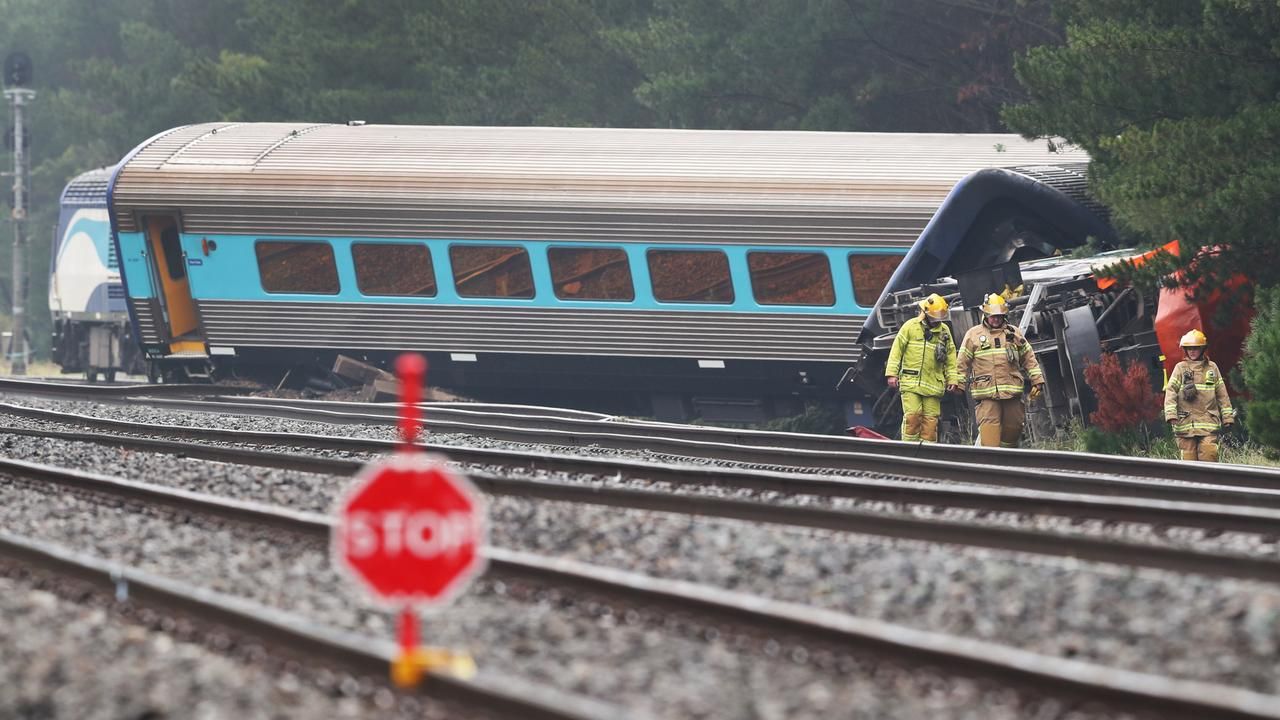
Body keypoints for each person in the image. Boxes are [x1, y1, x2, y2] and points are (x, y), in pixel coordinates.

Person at [956, 293, 1045, 447]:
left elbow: (1029, 357)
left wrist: (1037, 380)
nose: (996, 319)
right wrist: (958, 383)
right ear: (985, 314)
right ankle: (991, 465)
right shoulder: (973, 335)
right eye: (992, 316)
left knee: (1014, 428)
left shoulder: (1014, 333)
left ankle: (1007, 463)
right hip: (987, 395)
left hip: (1012, 394)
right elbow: (962, 362)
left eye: (999, 316)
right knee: (990, 434)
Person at [885, 293, 961, 442]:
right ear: (925, 313)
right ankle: (908, 451)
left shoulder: (944, 332)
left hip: (933, 384)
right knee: (912, 417)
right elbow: (896, 350)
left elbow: (951, 358)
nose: (936, 321)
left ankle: (926, 457)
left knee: (930, 424)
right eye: (934, 317)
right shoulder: (910, 327)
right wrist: (891, 374)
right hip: (911, 382)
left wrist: (953, 379)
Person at [1163, 329, 1235, 462]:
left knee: (1209, 455)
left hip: (1208, 423)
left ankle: (1209, 483)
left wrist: (1228, 417)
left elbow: (1222, 395)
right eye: (1189, 348)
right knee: (1189, 463)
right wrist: (1171, 415)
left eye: (1195, 348)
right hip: (1185, 425)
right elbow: (1170, 391)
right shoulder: (1180, 368)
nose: (1192, 351)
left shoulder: (1212, 368)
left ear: (1202, 349)